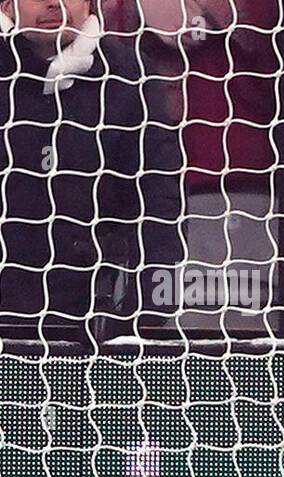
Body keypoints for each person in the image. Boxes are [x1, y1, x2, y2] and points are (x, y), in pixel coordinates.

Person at [0, 0, 183, 342]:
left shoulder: (131, 75)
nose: (55, 2)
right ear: (9, 5)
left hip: (97, 314)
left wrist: (149, 313)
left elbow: (159, 201)